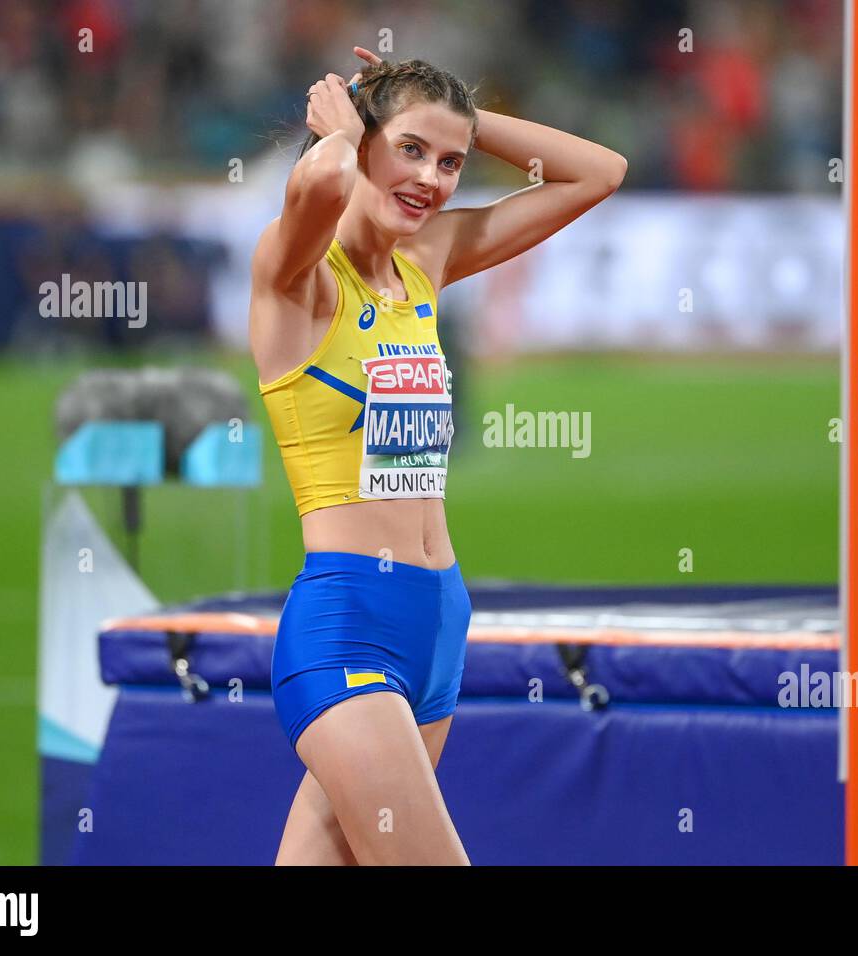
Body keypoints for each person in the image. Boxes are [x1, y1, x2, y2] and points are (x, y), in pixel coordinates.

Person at [249, 46, 627, 865]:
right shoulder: (302, 282)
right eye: (411, 151)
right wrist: (350, 129)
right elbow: (315, 192)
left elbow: (598, 173)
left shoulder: (426, 263)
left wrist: (451, 114)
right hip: (348, 634)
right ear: (360, 143)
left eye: (451, 162)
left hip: (438, 625)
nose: (433, 177)